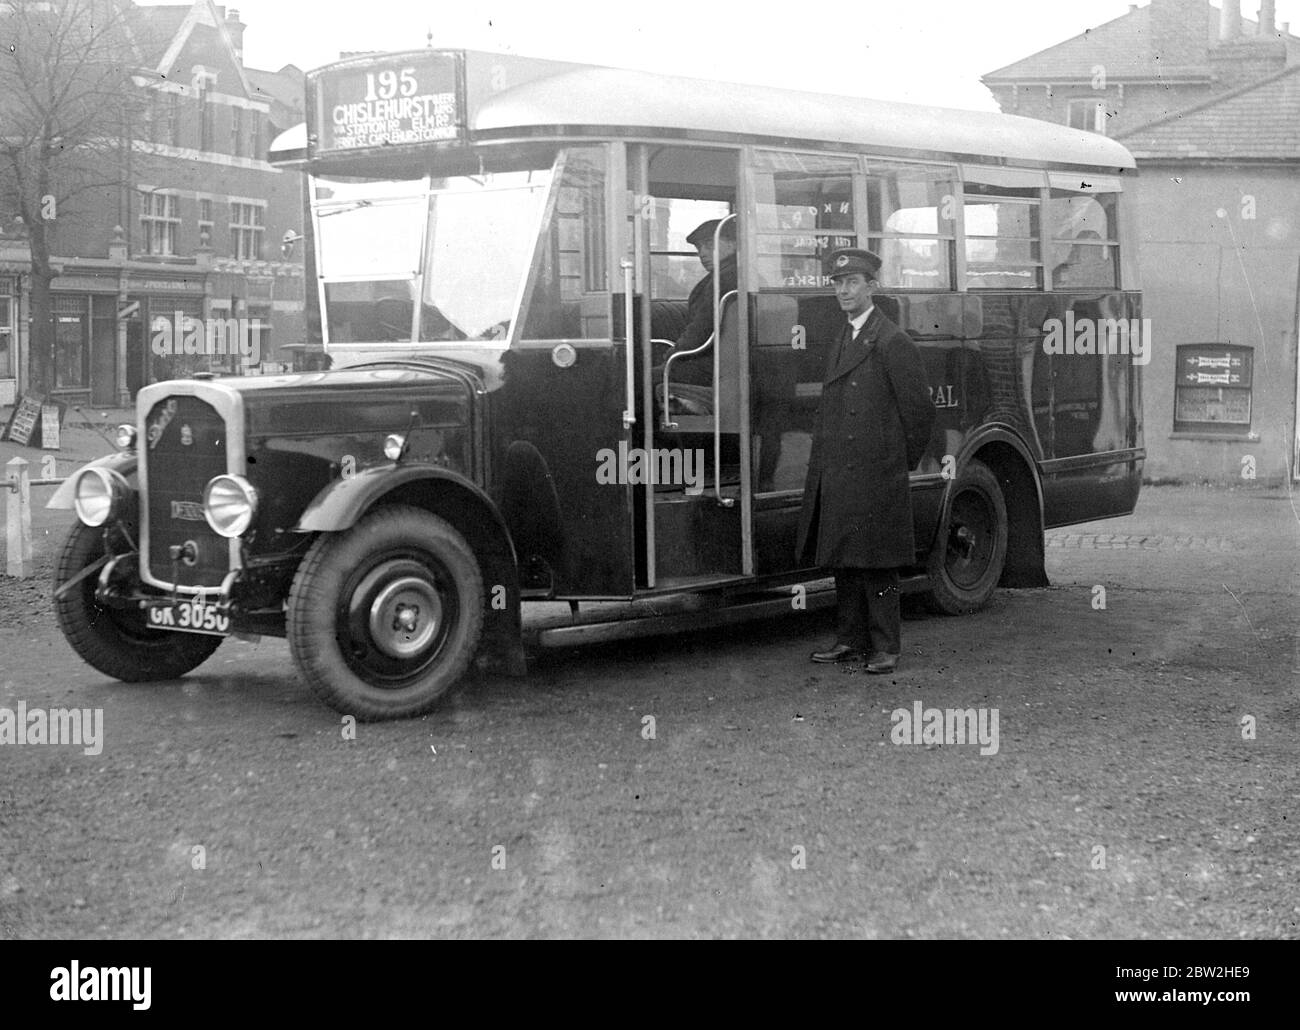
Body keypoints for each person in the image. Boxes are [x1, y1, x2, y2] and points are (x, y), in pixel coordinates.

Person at [795, 248, 935, 673]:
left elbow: (920, 412)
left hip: (875, 473)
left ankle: (886, 647)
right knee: (846, 560)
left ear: (871, 286)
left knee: (877, 566)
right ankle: (850, 640)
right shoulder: (845, 335)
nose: (844, 290)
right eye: (838, 283)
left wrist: (894, 464)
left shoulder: (891, 340)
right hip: (842, 471)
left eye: (853, 282)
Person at [667, 217, 737, 385]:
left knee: (641, 379)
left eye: (709, 245)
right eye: (699, 248)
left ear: (733, 244)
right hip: (720, 361)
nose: (702, 253)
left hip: (711, 365)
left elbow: (702, 330)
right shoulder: (734, 273)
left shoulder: (725, 279)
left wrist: (671, 356)